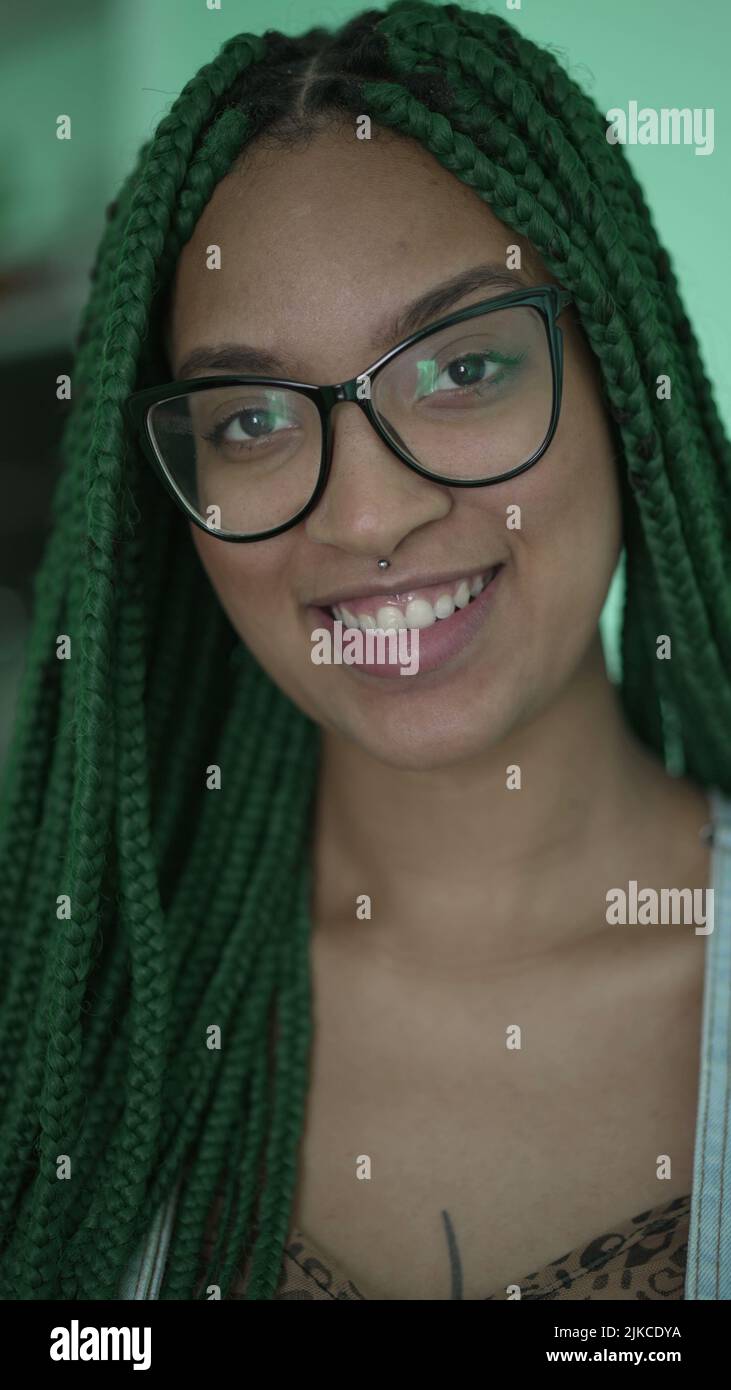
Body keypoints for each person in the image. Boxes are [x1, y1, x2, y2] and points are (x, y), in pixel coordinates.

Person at [1, 1, 729, 1303]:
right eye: (254, 418)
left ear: (619, 376)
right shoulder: (63, 1003)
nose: (370, 513)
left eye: (463, 368)